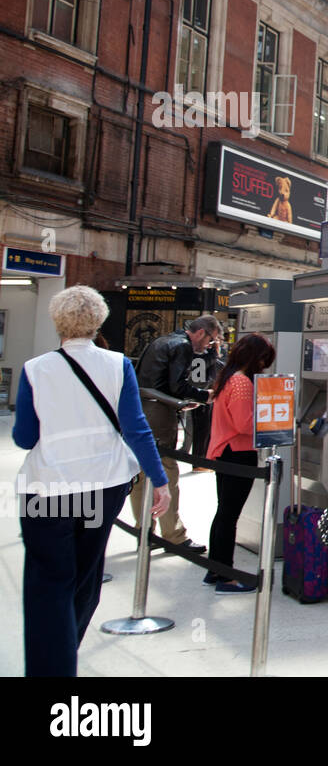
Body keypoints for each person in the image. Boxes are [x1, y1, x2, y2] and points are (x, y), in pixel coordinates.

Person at [14, 285, 170, 676]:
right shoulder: (118, 365)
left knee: (48, 581)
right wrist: (160, 479)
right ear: (99, 321)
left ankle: (51, 667)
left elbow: (24, 437)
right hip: (102, 487)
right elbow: (137, 429)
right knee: (85, 577)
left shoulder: (36, 369)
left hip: (47, 491)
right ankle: (66, 650)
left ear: (57, 322)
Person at [130, 314, 223, 553]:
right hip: (160, 416)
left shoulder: (163, 341)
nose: (208, 346)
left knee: (141, 475)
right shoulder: (182, 346)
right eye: (211, 341)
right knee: (167, 472)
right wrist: (205, 397)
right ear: (202, 333)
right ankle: (174, 536)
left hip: (142, 411)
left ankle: (144, 532)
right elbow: (177, 386)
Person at [204, 333, 277, 593]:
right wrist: (273, 419)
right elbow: (244, 424)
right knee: (229, 515)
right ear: (255, 357)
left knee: (223, 512)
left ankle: (216, 569)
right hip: (238, 452)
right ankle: (226, 577)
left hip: (224, 451)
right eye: (263, 359)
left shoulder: (226, 377)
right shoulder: (242, 383)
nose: (264, 365)